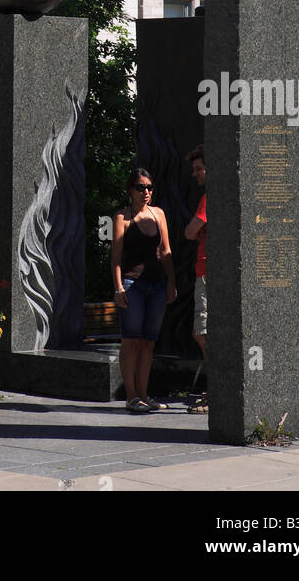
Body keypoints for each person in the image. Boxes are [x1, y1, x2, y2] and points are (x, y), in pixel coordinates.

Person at [111, 167, 176, 413]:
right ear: (130, 190)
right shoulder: (122, 217)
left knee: (148, 342)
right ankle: (131, 395)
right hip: (131, 284)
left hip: (156, 284)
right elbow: (116, 256)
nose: (146, 192)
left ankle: (144, 393)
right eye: (141, 187)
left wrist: (171, 282)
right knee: (131, 340)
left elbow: (166, 251)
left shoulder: (158, 214)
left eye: (149, 187)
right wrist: (118, 287)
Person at [184, 146, 207, 410]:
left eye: (199, 168)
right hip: (207, 271)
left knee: (203, 333)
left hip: (207, 272)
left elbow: (190, 232)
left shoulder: (208, 199)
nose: (195, 174)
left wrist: (197, 231)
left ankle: (219, 390)